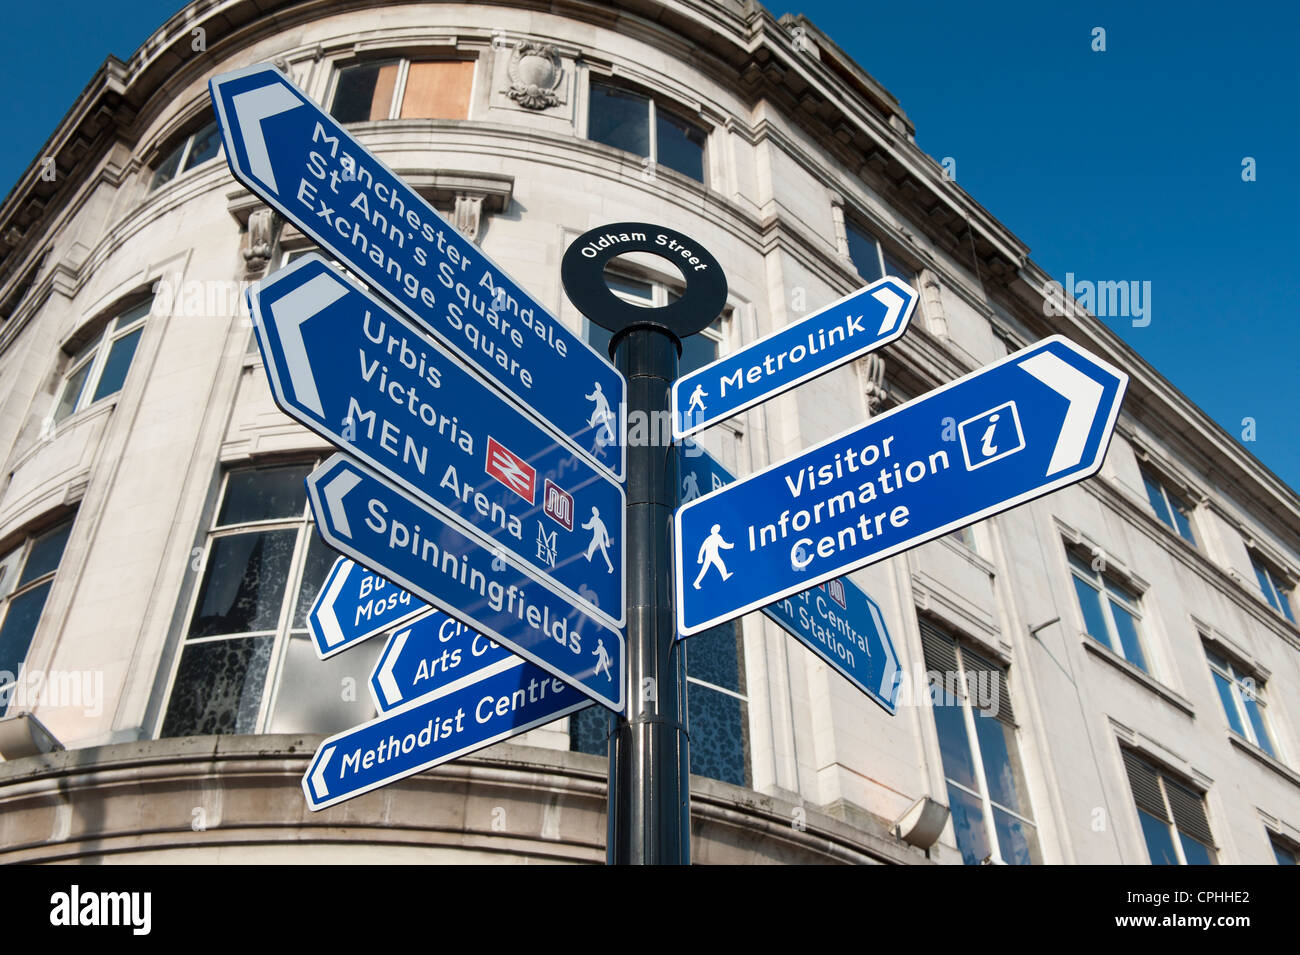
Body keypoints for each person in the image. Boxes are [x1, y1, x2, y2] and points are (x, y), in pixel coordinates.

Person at [692, 523, 734, 589]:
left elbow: (722, 544)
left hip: (713, 555)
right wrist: (731, 546)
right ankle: (696, 583)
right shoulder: (713, 538)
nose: (714, 530)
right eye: (714, 528)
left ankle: (724, 575)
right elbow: (722, 545)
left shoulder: (714, 537)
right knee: (705, 569)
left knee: (720, 564)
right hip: (711, 555)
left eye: (716, 529)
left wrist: (700, 557)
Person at [582, 506, 614, 573]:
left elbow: (604, 530)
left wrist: (582, 525)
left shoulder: (597, 520)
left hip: (599, 538)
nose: (596, 512)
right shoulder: (595, 519)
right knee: (591, 546)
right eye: (594, 511)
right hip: (597, 537)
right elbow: (590, 526)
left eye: (596, 511)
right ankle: (589, 557)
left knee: (604, 553)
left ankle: (611, 567)